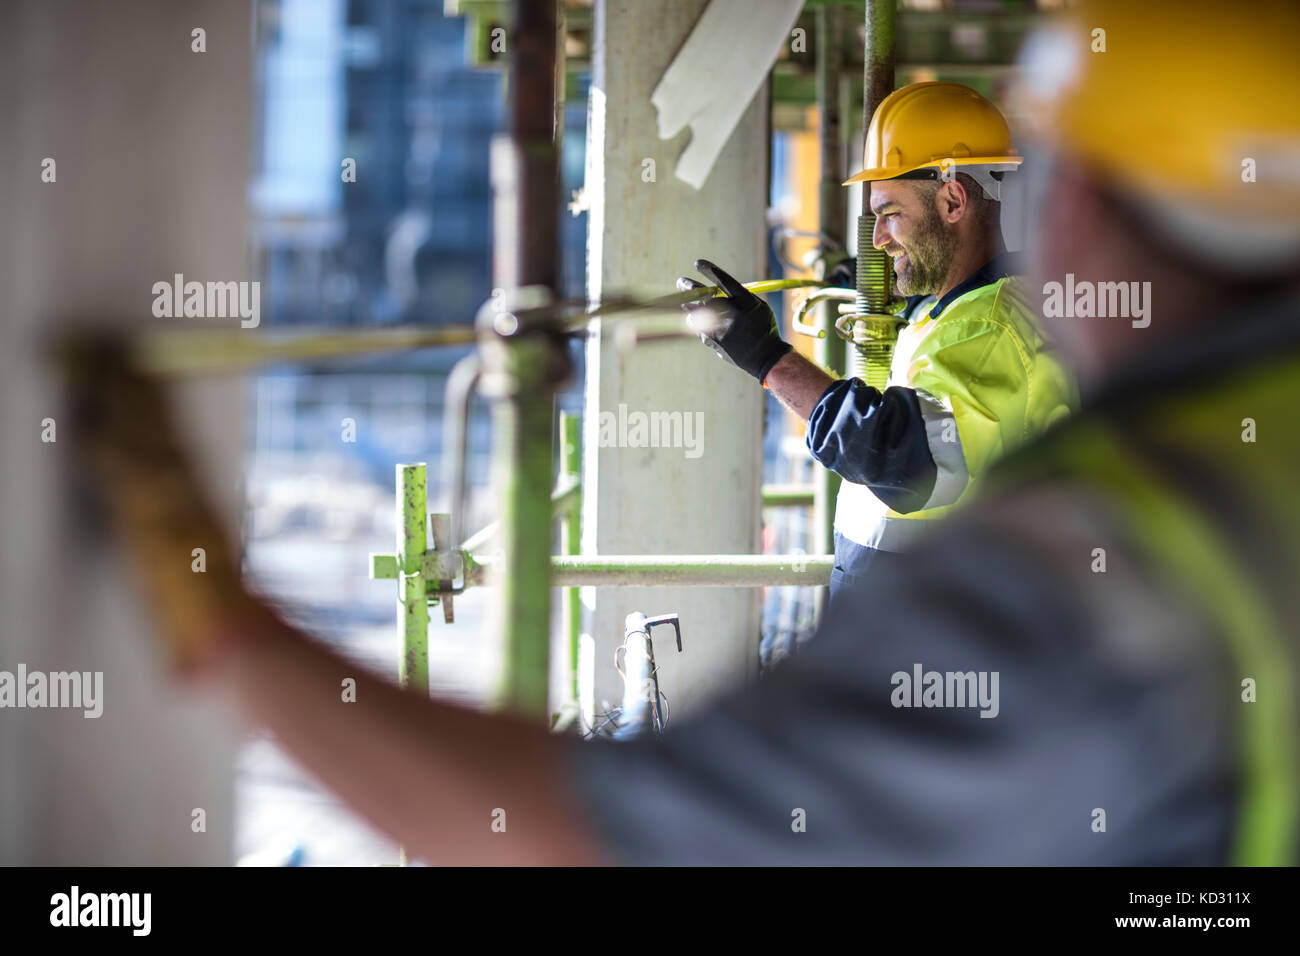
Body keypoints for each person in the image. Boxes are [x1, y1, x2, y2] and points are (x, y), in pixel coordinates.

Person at [69, 0, 1300, 864]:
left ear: (1046, 197)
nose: (870, 234)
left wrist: (229, 635)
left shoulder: (1088, 590)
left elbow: (637, 835)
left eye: (886, 205)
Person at [678, 81, 1077, 600]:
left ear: (954, 200)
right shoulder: (965, 308)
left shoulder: (985, 328)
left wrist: (766, 358)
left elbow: (900, 456)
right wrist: (885, 293)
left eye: (890, 213)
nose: (877, 240)